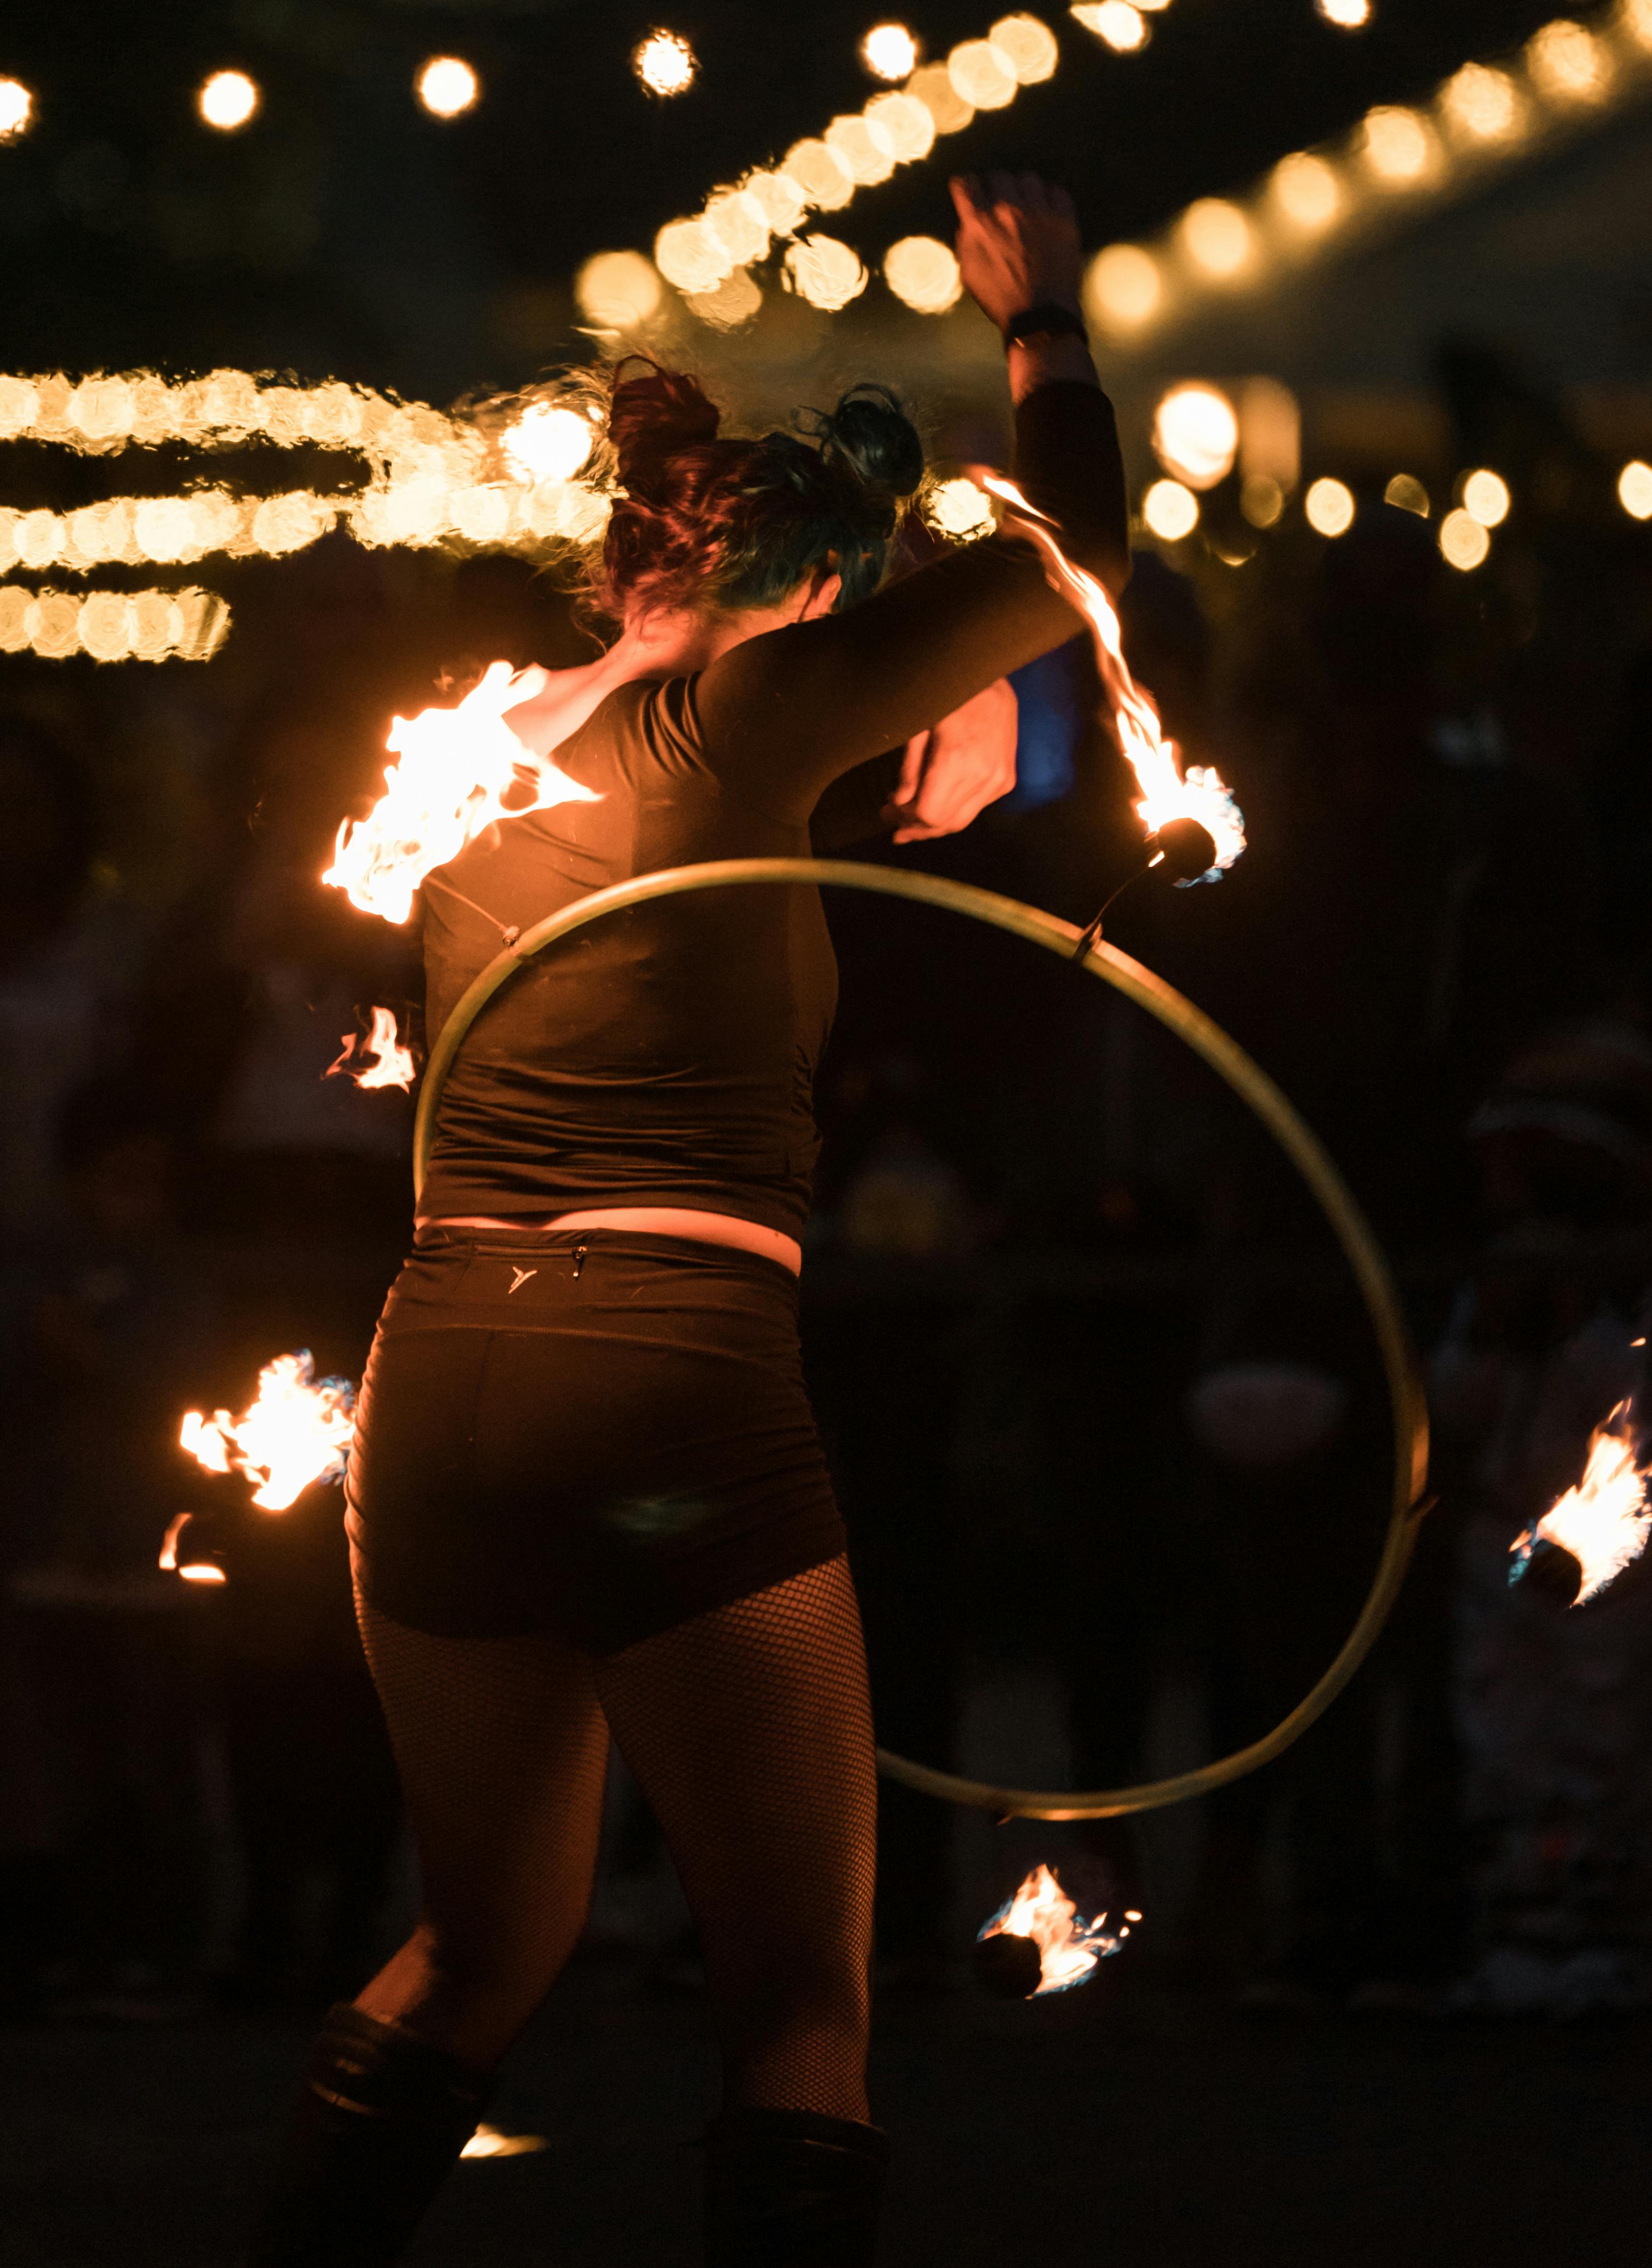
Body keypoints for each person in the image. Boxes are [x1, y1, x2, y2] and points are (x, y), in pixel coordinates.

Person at [250, 173, 1128, 2267]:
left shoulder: (484, 748)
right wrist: (1048, 323)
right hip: (669, 1380)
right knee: (800, 2002)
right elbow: (1077, 556)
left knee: (483, 1948)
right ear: (814, 600)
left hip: (440, 1386)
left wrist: (897, 717)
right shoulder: (737, 716)